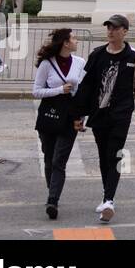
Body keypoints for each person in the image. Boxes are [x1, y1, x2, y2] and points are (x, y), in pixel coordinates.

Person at [71, 15, 135, 223]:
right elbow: (84, 86)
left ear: (125, 31)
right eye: (109, 28)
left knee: (114, 156)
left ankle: (109, 200)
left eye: (115, 28)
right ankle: (107, 196)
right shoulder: (97, 55)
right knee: (104, 156)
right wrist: (79, 114)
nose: (110, 31)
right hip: (99, 114)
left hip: (121, 115)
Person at [32, 28, 86, 220]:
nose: (76, 40)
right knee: (48, 158)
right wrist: (59, 90)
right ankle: (52, 191)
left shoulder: (80, 63)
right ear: (65, 42)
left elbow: (82, 94)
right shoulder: (47, 64)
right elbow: (36, 91)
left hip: (70, 117)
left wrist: (82, 118)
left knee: (58, 161)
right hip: (49, 115)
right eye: (73, 38)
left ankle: (53, 200)